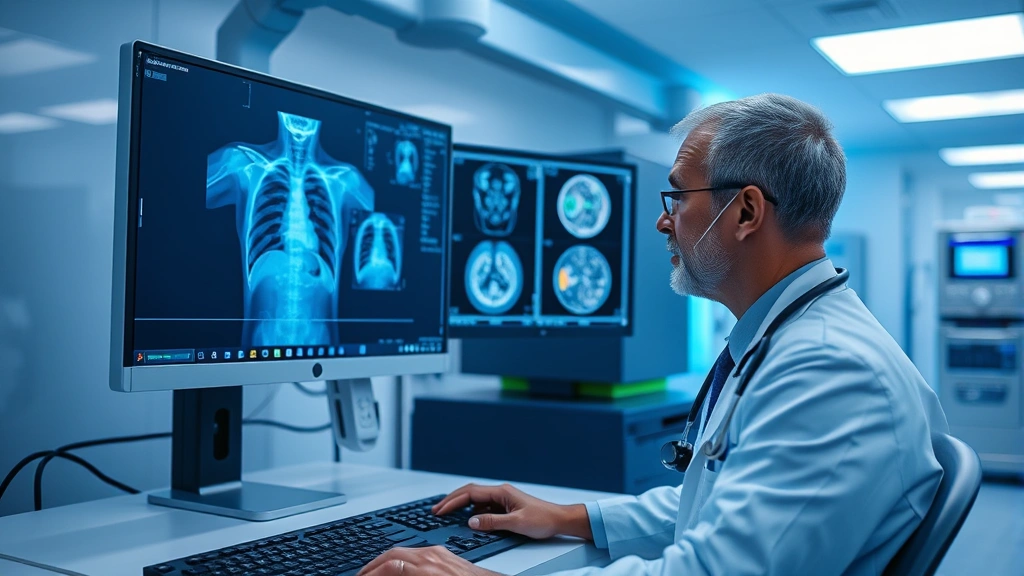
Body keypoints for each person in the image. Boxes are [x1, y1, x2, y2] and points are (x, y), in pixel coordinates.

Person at [357, 93, 949, 576]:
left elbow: (718, 571)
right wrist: (568, 517)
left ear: (746, 213)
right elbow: (717, 504)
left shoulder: (830, 372)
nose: (663, 220)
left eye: (679, 196)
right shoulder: (788, 341)